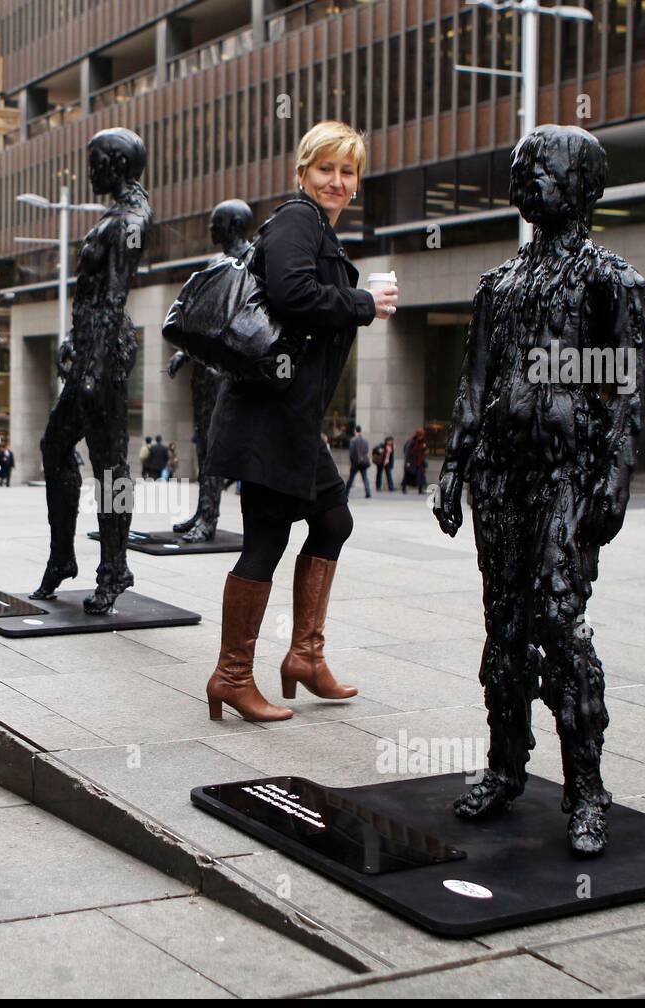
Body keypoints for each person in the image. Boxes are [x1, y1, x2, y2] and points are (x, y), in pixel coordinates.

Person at [203, 120, 397, 722]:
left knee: (333, 519)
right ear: (303, 172)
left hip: (287, 419)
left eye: (347, 172)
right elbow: (290, 295)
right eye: (326, 169)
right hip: (265, 418)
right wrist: (365, 303)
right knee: (266, 540)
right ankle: (231, 676)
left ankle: (305, 657)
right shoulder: (296, 219)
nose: (336, 181)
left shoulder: (318, 229)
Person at [348, 424, 371, 499]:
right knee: (365, 478)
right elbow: (367, 451)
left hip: (355, 462)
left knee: (351, 479)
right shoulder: (365, 441)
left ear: (355, 431)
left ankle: (346, 493)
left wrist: (352, 462)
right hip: (363, 462)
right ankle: (368, 493)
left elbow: (351, 453)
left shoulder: (353, 440)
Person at [403, 427, 428, 494]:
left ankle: (420, 490)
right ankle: (404, 488)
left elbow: (423, 451)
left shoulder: (422, 441)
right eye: (420, 435)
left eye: (422, 435)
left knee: (420, 475)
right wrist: (407, 462)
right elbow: (407, 451)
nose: (421, 437)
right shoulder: (412, 441)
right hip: (411, 461)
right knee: (408, 475)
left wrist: (424, 447)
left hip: (419, 462)